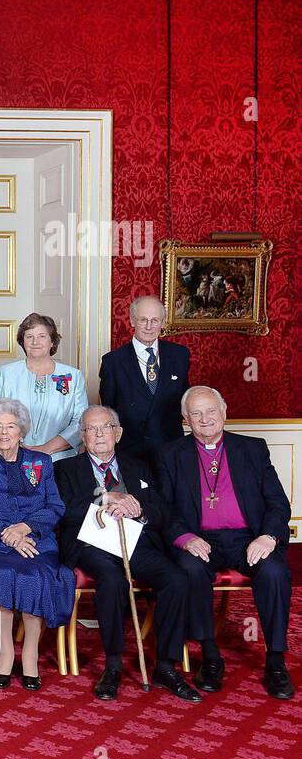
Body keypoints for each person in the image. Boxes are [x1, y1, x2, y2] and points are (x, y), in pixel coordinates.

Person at [157, 386, 294, 700]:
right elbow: (163, 508)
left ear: (224, 412)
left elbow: (278, 503)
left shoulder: (252, 449)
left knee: (275, 573)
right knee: (189, 570)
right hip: (201, 539)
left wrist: (268, 536)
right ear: (185, 419)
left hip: (250, 538)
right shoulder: (170, 454)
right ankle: (210, 654)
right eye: (196, 413)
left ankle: (275, 659)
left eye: (211, 411)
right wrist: (185, 538)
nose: (205, 419)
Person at [57, 405, 199, 701]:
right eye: (91, 429)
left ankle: (166, 664)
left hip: (136, 541)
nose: (99, 435)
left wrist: (140, 507)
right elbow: (63, 512)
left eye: (105, 427)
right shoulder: (66, 469)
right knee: (112, 580)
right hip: (91, 544)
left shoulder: (140, 467)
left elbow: (163, 510)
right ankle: (113, 665)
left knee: (175, 578)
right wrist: (102, 497)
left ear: (118, 433)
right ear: (82, 435)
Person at [0, 397, 74, 691]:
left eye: (11, 426)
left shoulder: (41, 462)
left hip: (36, 541)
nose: (4, 432)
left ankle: (31, 655)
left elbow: (55, 506)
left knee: (35, 576)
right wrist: (5, 533)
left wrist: (24, 528)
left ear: (21, 431)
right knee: (3, 574)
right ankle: (5, 653)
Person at [99, 295, 191, 465]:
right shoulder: (112, 362)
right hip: (130, 452)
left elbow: (185, 401)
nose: (149, 326)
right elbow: (109, 412)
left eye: (155, 320)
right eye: (143, 320)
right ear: (132, 321)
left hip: (171, 447)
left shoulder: (179, 355)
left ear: (163, 323)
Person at [0, 312, 87, 462]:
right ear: (22, 341)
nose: (35, 341)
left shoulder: (73, 376)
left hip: (61, 461)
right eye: (29, 336)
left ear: (52, 341)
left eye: (42, 336)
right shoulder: (5, 373)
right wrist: (18, 448)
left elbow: (81, 421)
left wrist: (46, 449)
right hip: (13, 457)